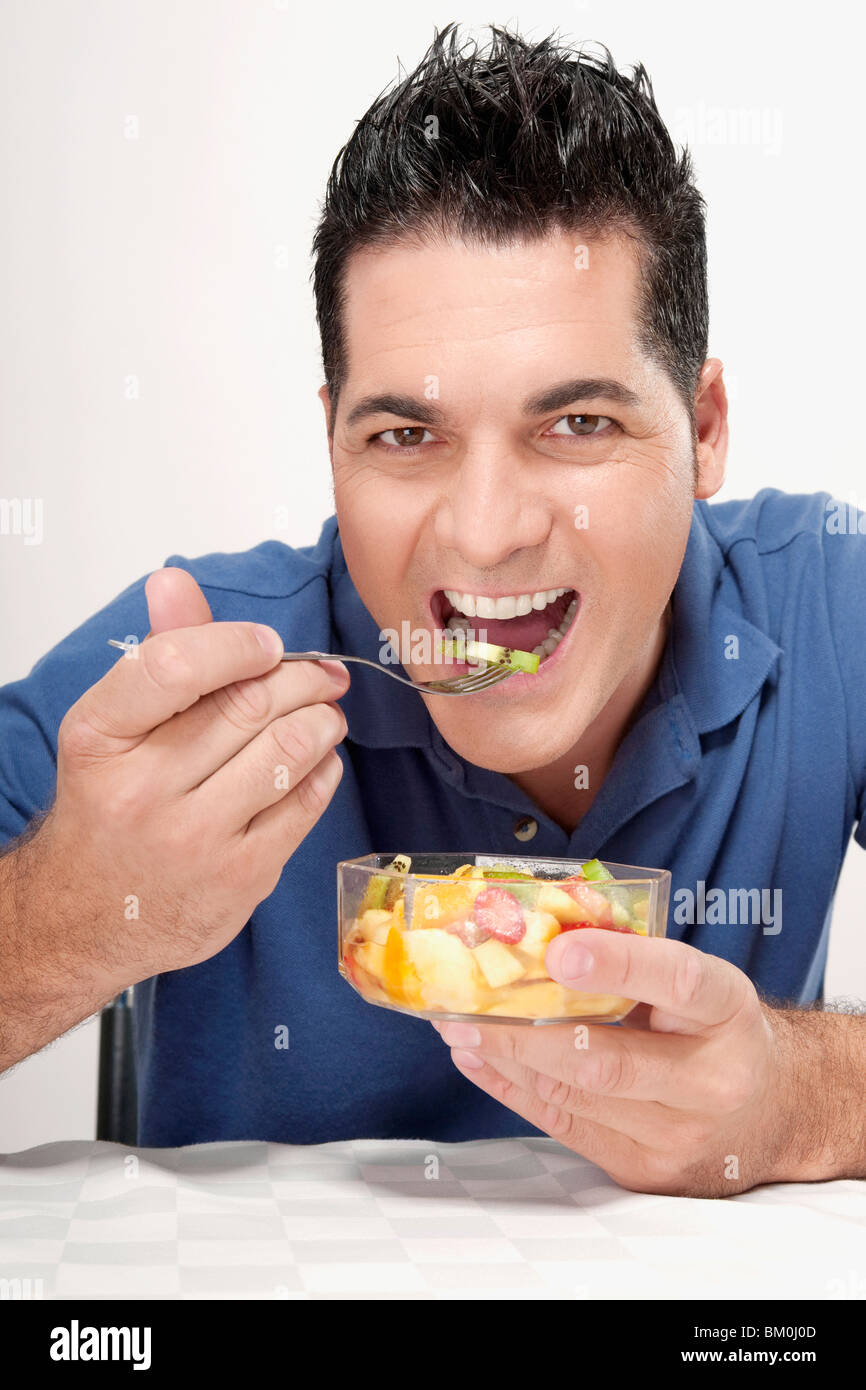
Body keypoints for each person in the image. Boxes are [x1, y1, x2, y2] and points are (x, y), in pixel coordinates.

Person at [1, 24, 864, 1195]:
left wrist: (802, 1102)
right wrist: (69, 912)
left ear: (702, 429)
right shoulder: (199, 659)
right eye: (406, 435)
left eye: (576, 425)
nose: (482, 530)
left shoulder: (827, 600)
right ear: (331, 441)